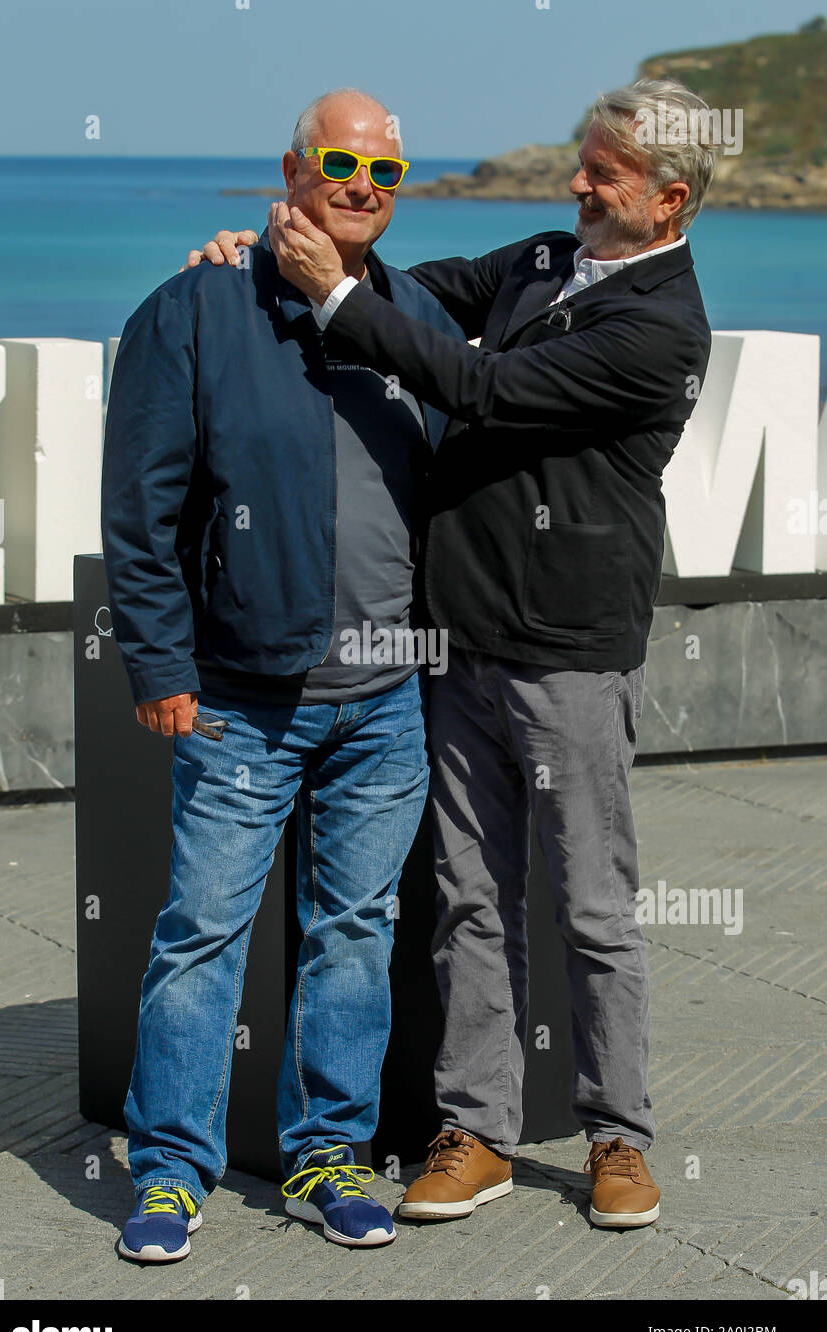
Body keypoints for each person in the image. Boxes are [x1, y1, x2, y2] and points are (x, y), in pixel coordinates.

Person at [188, 76, 717, 1229]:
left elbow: (481, 386)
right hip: (456, 640)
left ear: (667, 199)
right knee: (470, 902)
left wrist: (330, 297)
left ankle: (616, 1137)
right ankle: (472, 1130)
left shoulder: (662, 326)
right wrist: (271, 258)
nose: (575, 183)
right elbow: (411, 295)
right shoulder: (539, 258)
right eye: (582, 161)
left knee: (590, 908)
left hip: (569, 651)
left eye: (604, 176)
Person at [102, 88, 463, 1260]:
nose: (361, 185)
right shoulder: (200, 304)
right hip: (239, 702)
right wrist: (158, 661)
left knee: (352, 934)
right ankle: (168, 1171)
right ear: (293, 167)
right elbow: (141, 509)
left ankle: (326, 1156)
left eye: (385, 171)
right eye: (340, 161)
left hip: (386, 701)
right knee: (199, 933)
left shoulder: (408, 313)